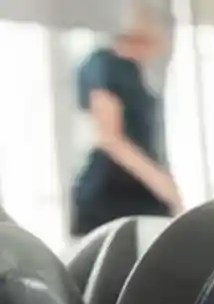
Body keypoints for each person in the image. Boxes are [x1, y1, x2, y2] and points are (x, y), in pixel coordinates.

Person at [70, 2, 180, 237]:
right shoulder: (104, 64)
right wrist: (164, 186)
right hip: (110, 192)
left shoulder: (135, 72)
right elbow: (111, 138)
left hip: (140, 189)